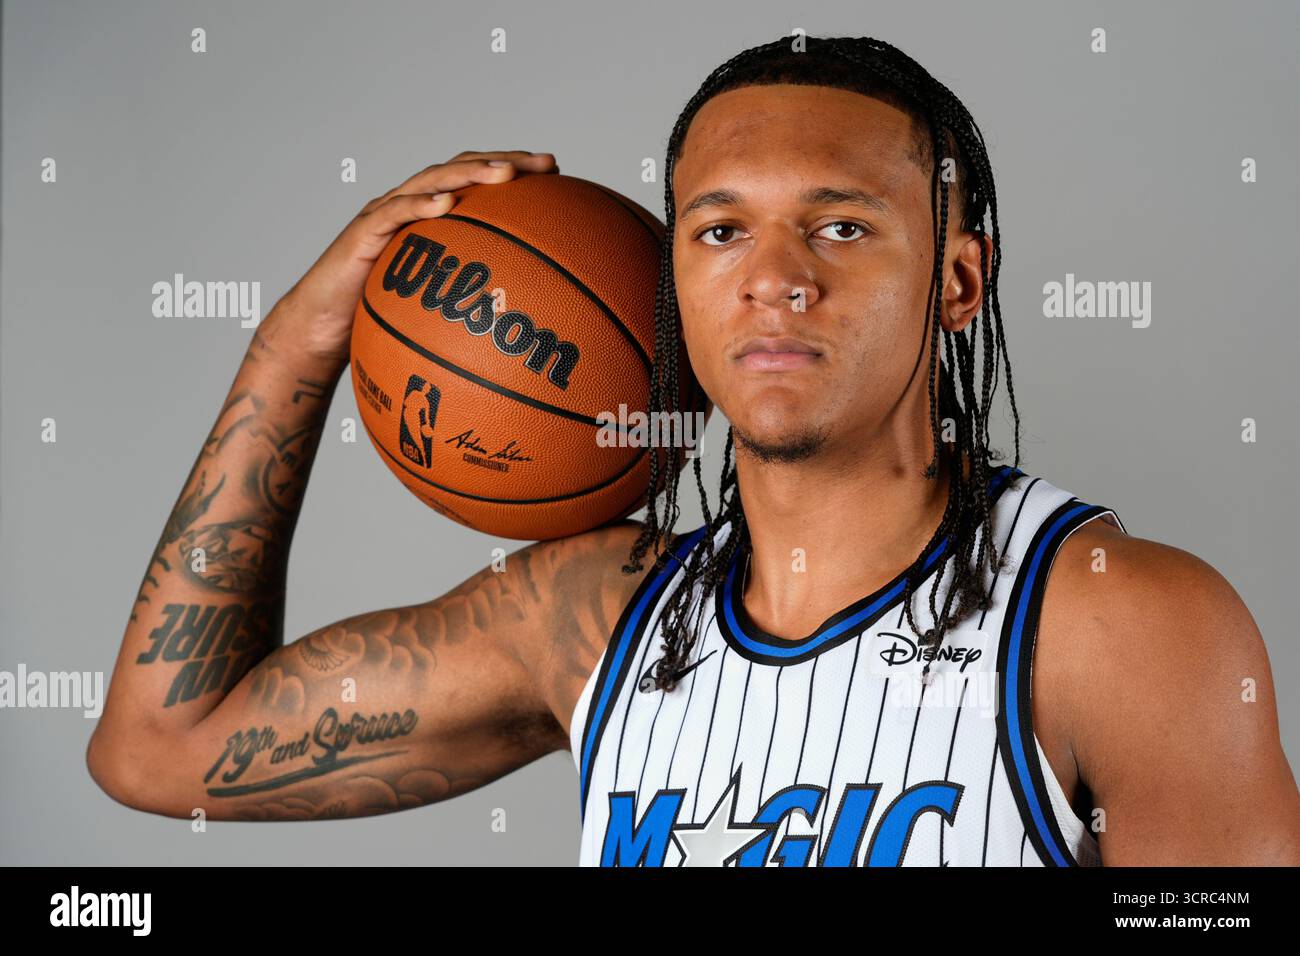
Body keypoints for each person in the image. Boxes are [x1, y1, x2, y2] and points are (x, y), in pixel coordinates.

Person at [88, 35, 1300, 866]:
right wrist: (296, 343)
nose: (774, 277)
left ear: (957, 279)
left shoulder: (1119, 624)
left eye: (840, 223)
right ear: (672, 285)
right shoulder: (593, 618)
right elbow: (160, 744)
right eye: (720, 229)